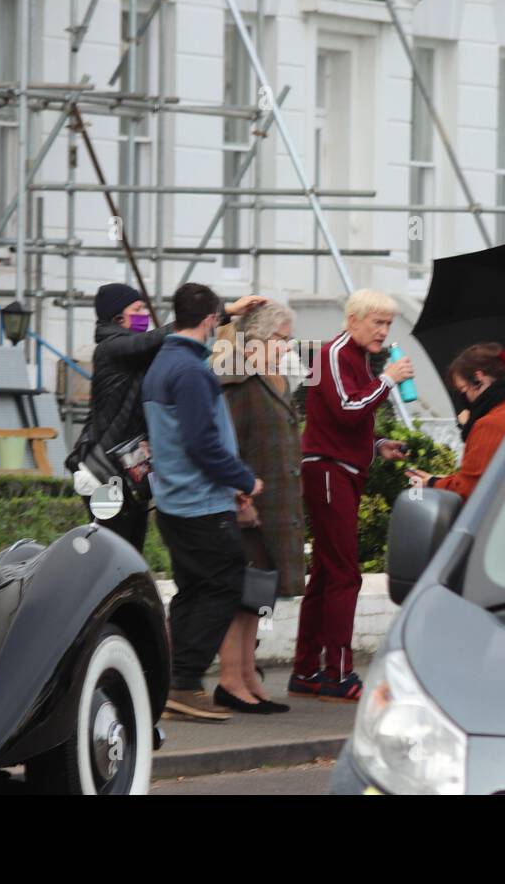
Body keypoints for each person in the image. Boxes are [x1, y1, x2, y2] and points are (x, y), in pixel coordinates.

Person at [142, 282, 263, 722]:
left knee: (193, 590)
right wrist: (243, 478)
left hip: (175, 500)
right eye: (217, 319)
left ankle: (176, 683)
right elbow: (202, 443)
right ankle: (187, 681)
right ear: (211, 320)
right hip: (201, 503)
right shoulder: (192, 372)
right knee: (222, 587)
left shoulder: (163, 363)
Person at [71, 281, 264, 552]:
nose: (143, 315)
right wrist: (222, 311)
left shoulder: (133, 351)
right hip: (106, 470)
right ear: (118, 317)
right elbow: (161, 337)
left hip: (128, 467)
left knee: (130, 548)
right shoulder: (111, 349)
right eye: (137, 309)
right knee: (110, 550)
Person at [289, 289, 411, 702]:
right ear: (353, 319)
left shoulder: (354, 356)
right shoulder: (332, 353)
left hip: (338, 467)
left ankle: (306, 670)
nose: (384, 331)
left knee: (327, 572)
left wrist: (377, 445)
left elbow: (347, 416)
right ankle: (337, 673)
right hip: (327, 469)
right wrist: (388, 382)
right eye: (377, 322)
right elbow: (346, 407)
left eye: (388, 324)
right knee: (344, 573)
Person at [211, 301, 303, 714]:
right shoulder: (240, 380)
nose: (287, 348)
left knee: (258, 594)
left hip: (275, 501)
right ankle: (230, 680)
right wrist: (237, 494)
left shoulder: (277, 380)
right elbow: (226, 442)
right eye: (281, 339)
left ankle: (248, 676)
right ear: (259, 339)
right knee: (240, 596)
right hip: (248, 502)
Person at [407, 343, 505, 500]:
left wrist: (432, 483)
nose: (464, 398)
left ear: (477, 379)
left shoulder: (490, 424)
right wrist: (439, 480)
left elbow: (468, 489)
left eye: (463, 390)